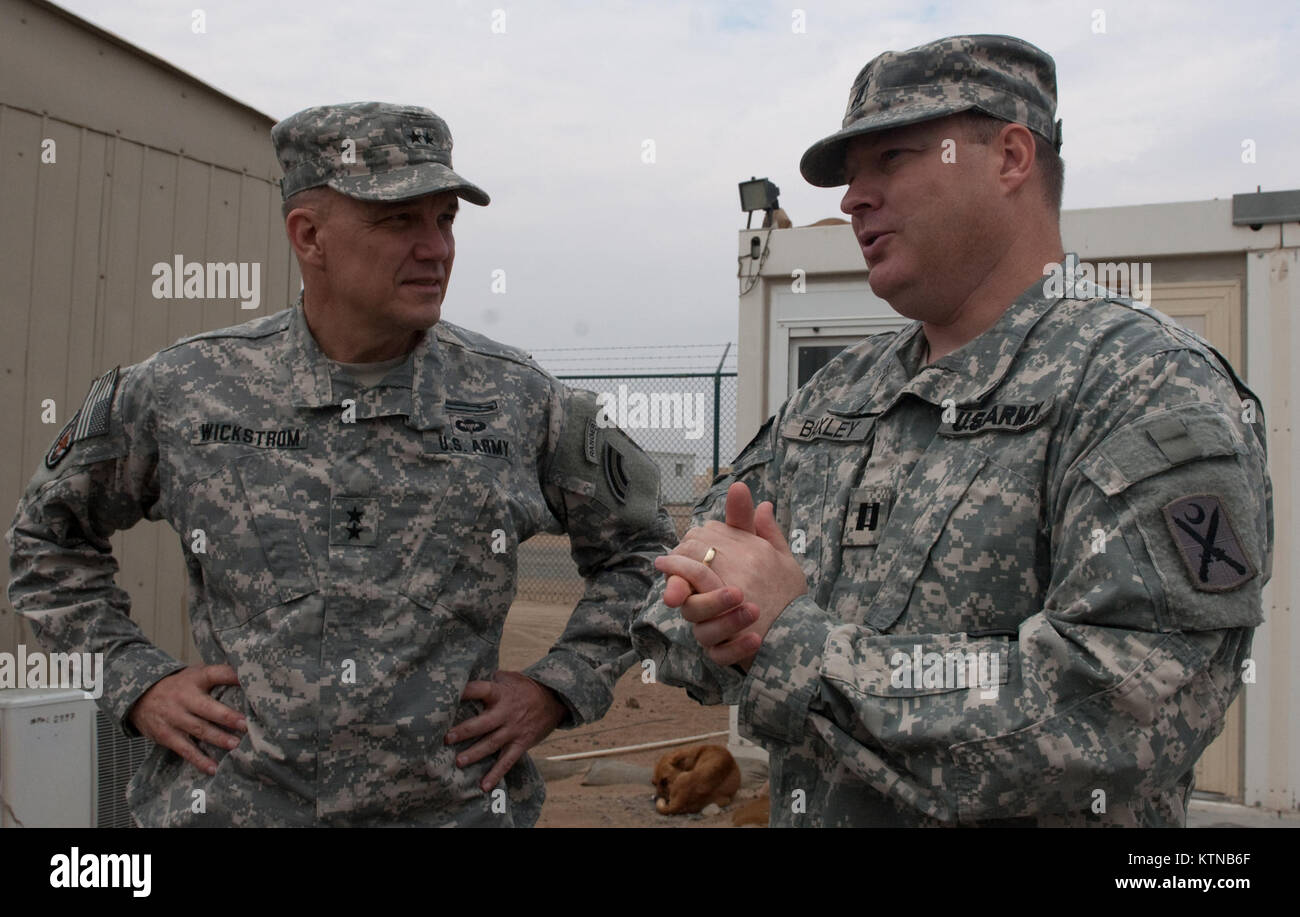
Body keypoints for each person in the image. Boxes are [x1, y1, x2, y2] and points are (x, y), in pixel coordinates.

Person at [632, 35, 1272, 827]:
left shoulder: (1143, 384)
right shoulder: (841, 391)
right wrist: (717, 613)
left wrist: (793, 645)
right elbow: (685, 584)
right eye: (849, 177)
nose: (853, 199)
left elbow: (1118, 711)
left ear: (1010, 157)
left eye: (891, 159)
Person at [8, 101, 676, 827]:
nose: (436, 248)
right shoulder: (186, 390)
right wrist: (138, 681)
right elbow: (45, 540)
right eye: (399, 221)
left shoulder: (520, 400)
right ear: (309, 235)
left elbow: (649, 552)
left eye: (445, 219)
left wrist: (559, 684)